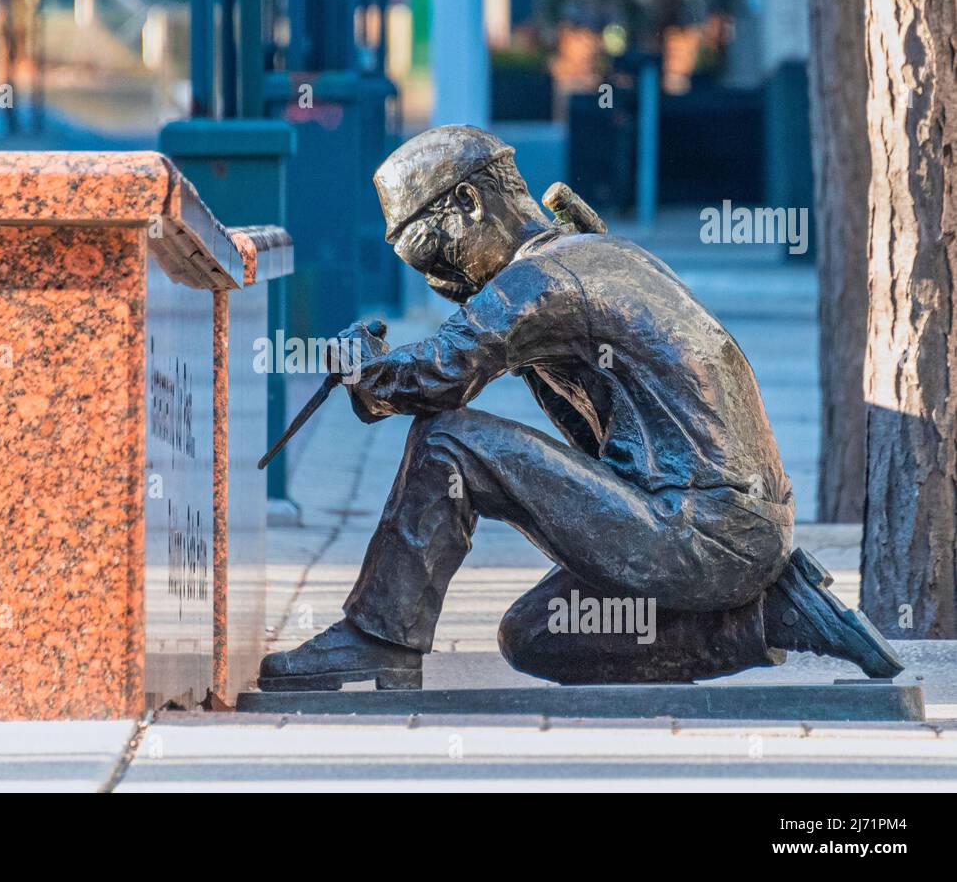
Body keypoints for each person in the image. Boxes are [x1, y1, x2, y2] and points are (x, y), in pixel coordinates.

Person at [258, 125, 902, 691]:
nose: (438, 284)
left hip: (695, 523)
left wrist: (361, 364)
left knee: (449, 443)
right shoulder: (590, 256)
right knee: (537, 635)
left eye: (430, 255)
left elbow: (437, 378)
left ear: (467, 202)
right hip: (729, 529)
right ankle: (760, 619)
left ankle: (380, 642)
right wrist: (377, 382)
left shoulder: (544, 276)